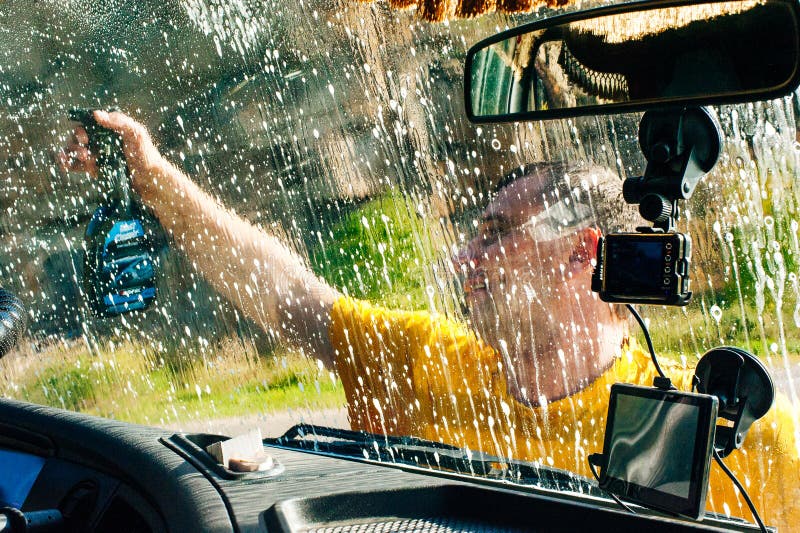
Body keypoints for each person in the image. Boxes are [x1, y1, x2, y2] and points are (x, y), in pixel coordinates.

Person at [60, 110, 799, 529]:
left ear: (581, 253)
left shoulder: (728, 441)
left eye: (495, 236)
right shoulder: (427, 359)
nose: (462, 258)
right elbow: (288, 296)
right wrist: (152, 177)